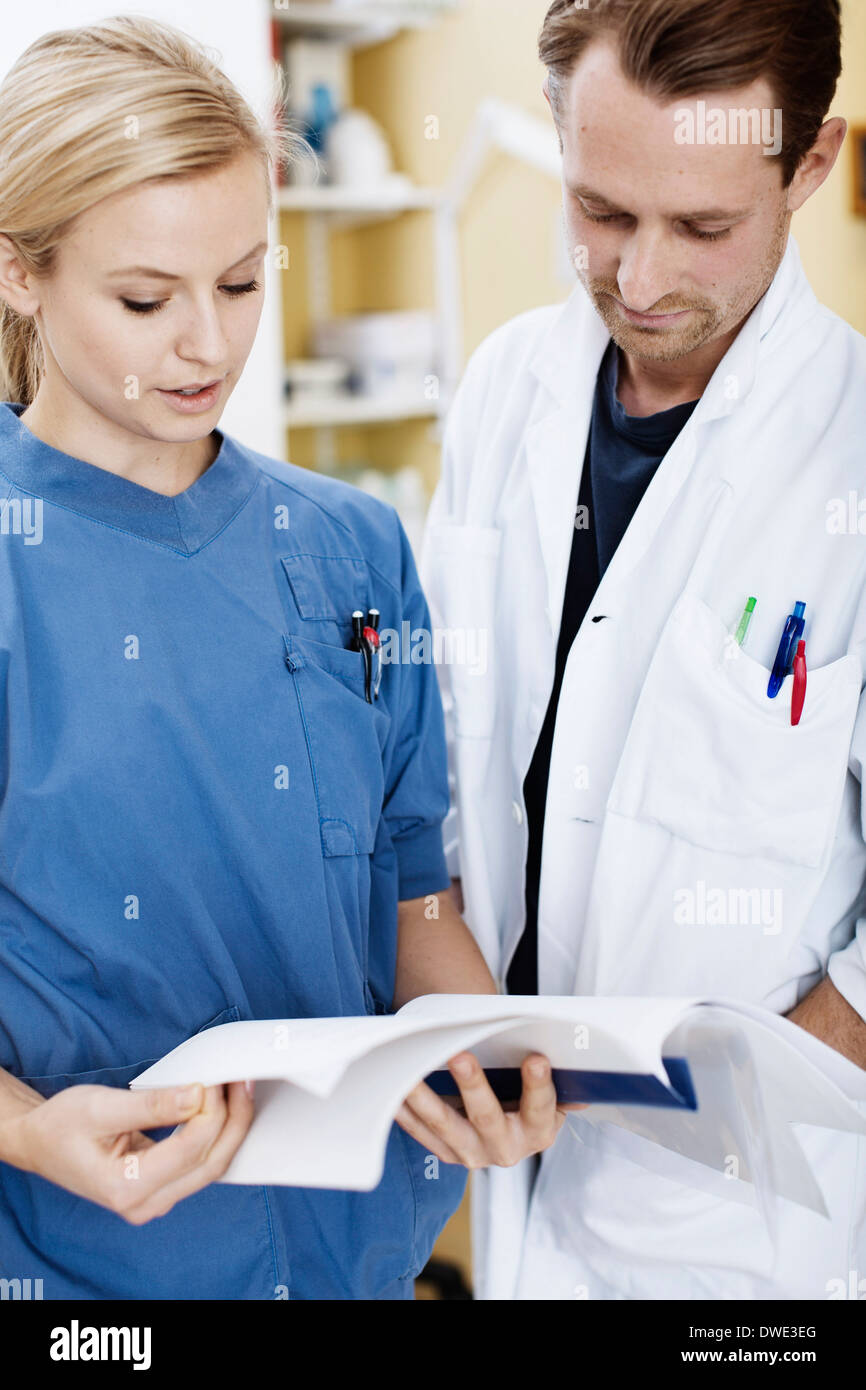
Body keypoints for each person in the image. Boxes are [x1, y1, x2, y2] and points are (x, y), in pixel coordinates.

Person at [0, 15, 567, 1301]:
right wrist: (26, 1129)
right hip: (89, 1281)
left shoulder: (352, 548)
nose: (209, 344)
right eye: (147, 298)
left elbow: (416, 896)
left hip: (361, 1255)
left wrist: (481, 1057)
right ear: (19, 274)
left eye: (244, 280)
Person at [421, 0, 866, 1300]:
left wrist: (783, 1073)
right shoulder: (506, 388)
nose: (640, 278)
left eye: (703, 227)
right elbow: (449, 769)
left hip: (740, 1242)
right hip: (512, 1184)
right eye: (601, 211)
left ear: (812, 165)